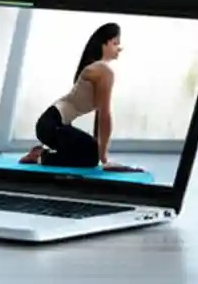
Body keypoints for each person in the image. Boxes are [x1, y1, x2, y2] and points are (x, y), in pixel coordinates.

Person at [18, 23, 141, 173]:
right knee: (89, 157)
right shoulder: (103, 71)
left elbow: (100, 115)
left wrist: (101, 155)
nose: (119, 48)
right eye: (115, 43)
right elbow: (105, 115)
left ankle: (41, 153)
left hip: (55, 124)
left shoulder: (99, 69)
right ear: (103, 44)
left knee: (90, 154)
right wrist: (103, 158)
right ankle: (40, 155)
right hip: (50, 125)